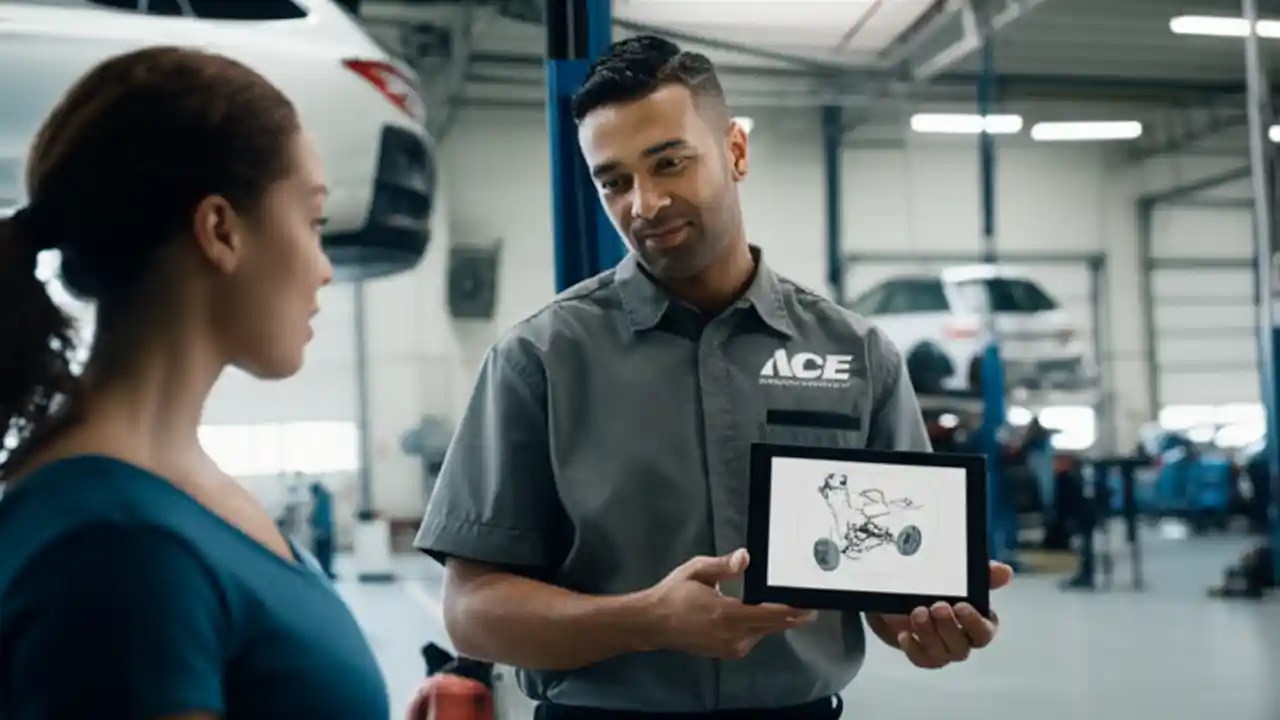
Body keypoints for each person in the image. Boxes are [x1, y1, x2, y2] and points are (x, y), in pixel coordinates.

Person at [415, 35, 1013, 718]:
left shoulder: (858, 354)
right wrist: (646, 619)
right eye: (614, 181)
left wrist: (920, 623)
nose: (644, 204)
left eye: (670, 163)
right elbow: (471, 611)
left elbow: (889, 593)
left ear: (735, 151)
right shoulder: (541, 359)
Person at [0, 47, 389, 718]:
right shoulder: (116, 549)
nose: (325, 269)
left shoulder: (175, 494)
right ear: (220, 230)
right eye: (314, 221)